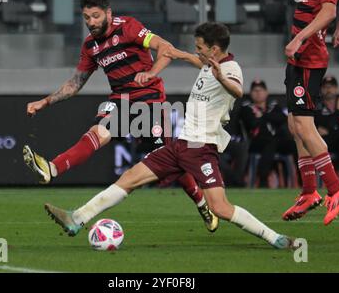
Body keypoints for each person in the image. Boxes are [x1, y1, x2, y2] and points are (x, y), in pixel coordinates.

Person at [43, 22, 295, 250]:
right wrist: (180, 55)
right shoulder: (211, 63)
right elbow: (201, 63)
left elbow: (238, 91)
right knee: (129, 178)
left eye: (199, 47)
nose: (197, 51)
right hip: (180, 145)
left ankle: (275, 238)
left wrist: (222, 79)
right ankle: (77, 218)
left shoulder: (229, 68)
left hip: (200, 148)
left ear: (215, 49)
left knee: (221, 207)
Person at [22, 0, 217, 232]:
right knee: (98, 132)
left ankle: (201, 202)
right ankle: (52, 168)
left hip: (150, 101)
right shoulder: (90, 46)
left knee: (169, 161)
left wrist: (152, 73)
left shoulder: (128, 27)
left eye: (95, 16)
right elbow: (76, 82)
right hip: (120, 101)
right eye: (86, 17)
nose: (91, 22)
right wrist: (46, 101)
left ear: (108, 13)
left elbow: (164, 47)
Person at [282, 0, 339, 225]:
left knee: (305, 128)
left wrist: (299, 37)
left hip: (308, 60)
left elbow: (328, 12)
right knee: (295, 126)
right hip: (300, 61)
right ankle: (308, 192)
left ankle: (336, 188)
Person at [240, 80, 293, 187]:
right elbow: (252, 122)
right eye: (255, 90)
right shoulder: (246, 107)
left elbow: (282, 118)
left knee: (295, 143)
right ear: (251, 93)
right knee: (270, 142)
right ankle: (263, 179)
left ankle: (299, 182)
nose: (258, 93)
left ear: (266, 92)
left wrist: (263, 115)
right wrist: (270, 117)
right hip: (257, 142)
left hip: (278, 141)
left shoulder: (273, 105)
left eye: (261, 90)